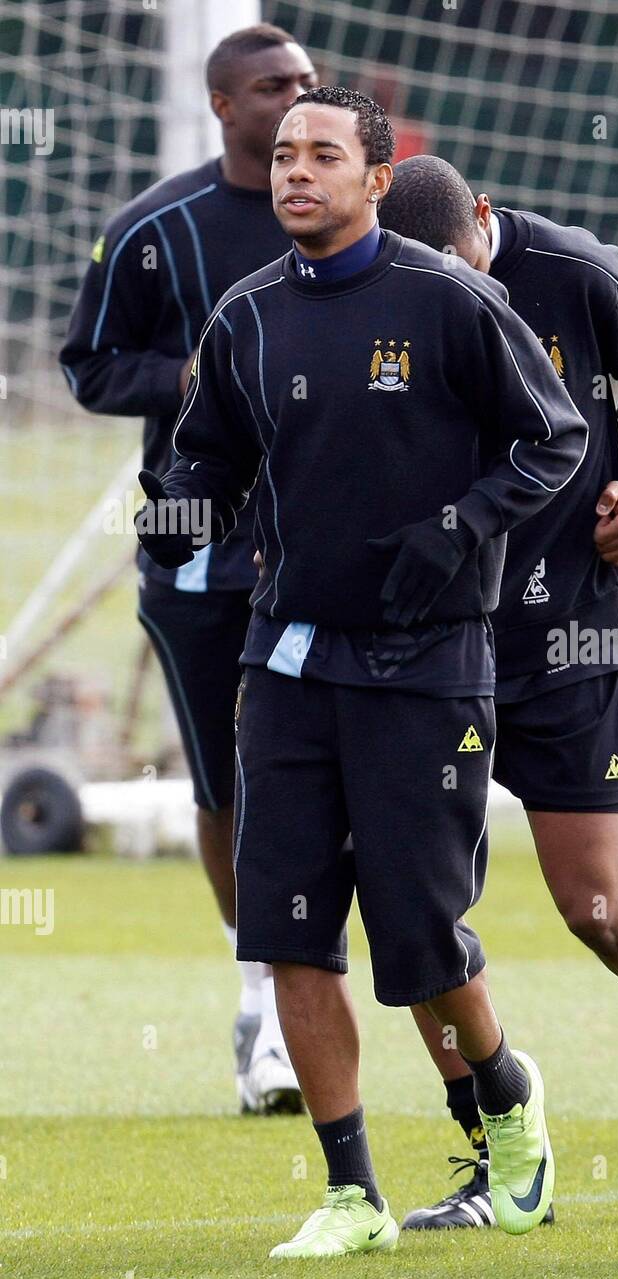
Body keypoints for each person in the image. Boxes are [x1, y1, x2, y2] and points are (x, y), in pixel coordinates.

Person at [137, 88, 588, 1255]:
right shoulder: (243, 318)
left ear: (379, 179)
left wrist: (459, 528)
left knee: (421, 946)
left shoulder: (452, 302)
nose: (297, 172)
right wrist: (174, 517)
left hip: (429, 666)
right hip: (284, 661)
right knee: (287, 933)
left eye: (324, 155)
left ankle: (504, 1091)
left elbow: (556, 437)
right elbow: (207, 463)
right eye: (284, 154)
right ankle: (352, 1195)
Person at [378, 157, 618, 1229]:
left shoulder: (578, 274)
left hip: (567, 627)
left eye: (458, 267)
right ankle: (497, 1141)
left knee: (593, 905)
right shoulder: (374, 290)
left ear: (484, 223)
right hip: (431, 640)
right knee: (416, 918)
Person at [60, 23, 319, 1114]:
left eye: (308, 83)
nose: (297, 99)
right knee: (227, 782)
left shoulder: (356, 214)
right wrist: (191, 375)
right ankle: (259, 993)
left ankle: (315, 991)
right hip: (200, 553)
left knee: (319, 786)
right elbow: (88, 366)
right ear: (224, 105)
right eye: (274, 86)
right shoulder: (153, 230)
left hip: (330, 553)